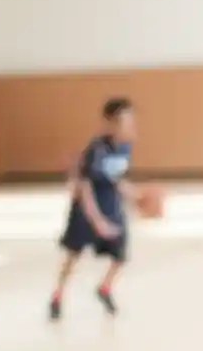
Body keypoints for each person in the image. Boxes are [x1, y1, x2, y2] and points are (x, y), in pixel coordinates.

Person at [49, 98, 139, 321]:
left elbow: (116, 179)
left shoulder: (126, 147)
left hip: (111, 203)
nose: (129, 125)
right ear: (110, 123)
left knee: (120, 254)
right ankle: (58, 296)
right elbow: (85, 187)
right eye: (124, 121)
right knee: (73, 255)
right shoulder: (97, 149)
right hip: (87, 208)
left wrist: (138, 197)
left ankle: (105, 288)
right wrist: (97, 220)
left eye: (131, 120)